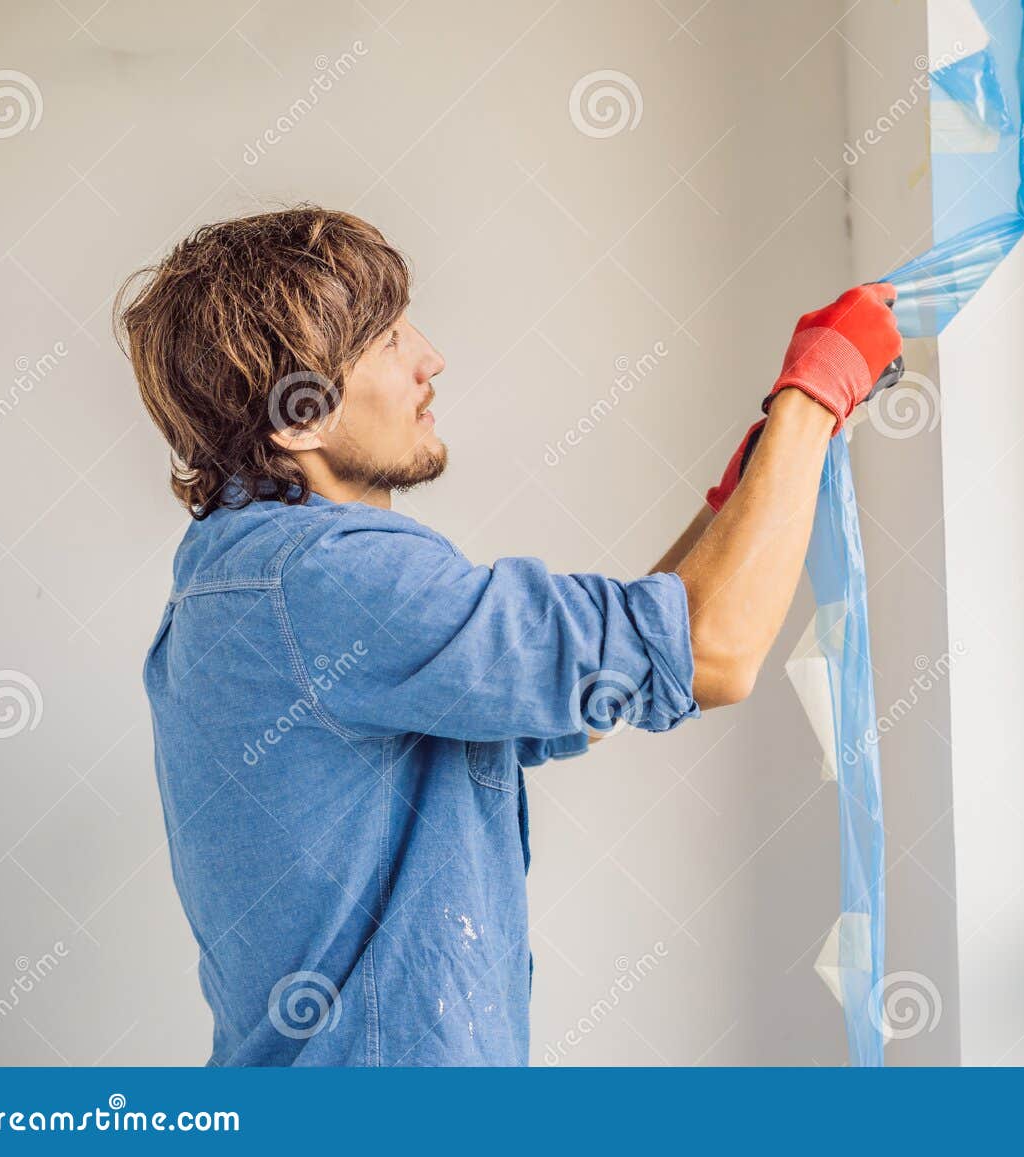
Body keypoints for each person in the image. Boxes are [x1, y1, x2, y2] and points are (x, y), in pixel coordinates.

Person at [115, 207, 902, 1065]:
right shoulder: (329, 579)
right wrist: (815, 391)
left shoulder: (249, 578)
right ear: (296, 417)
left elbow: (599, 685)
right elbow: (714, 653)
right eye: (383, 340)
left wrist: (738, 501)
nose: (429, 358)